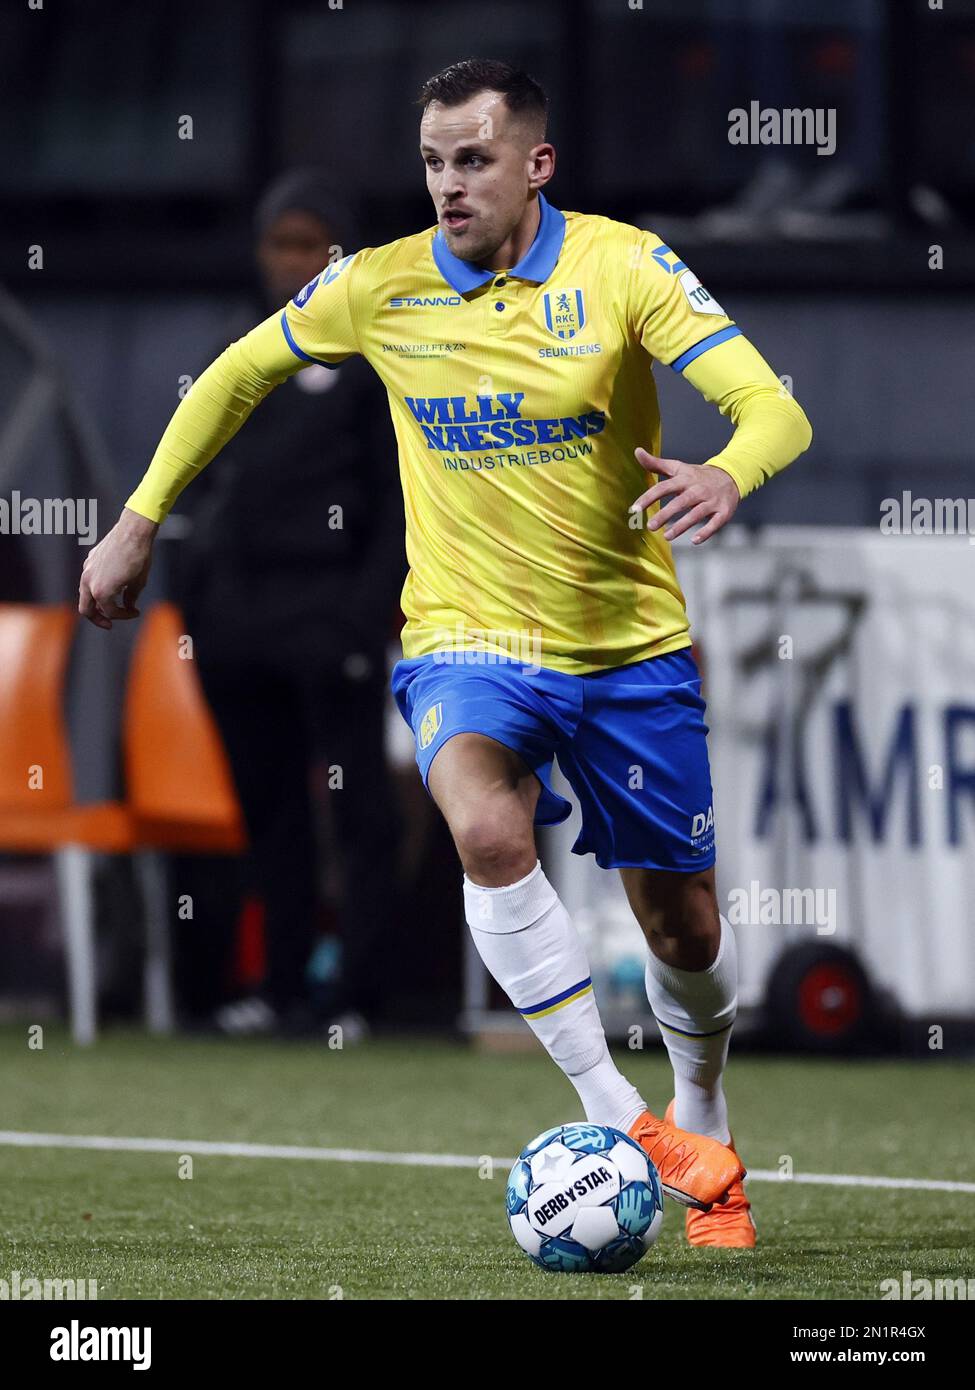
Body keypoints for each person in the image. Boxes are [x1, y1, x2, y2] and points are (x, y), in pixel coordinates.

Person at [79, 59, 812, 1245]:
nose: (448, 186)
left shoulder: (621, 266)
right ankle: (624, 1118)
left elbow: (775, 406)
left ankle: (703, 1103)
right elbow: (235, 373)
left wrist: (731, 467)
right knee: (482, 826)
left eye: (473, 160)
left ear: (537, 163)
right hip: (467, 638)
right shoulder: (380, 286)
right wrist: (139, 515)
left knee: (684, 927)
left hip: (627, 647)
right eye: (432, 162)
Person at [170, 170, 405, 1035]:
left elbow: (398, 508)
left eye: (316, 246)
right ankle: (281, 987)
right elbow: (197, 479)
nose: (297, 262)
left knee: (358, 811)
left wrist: (362, 616)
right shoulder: (240, 355)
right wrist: (197, 598)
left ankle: (362, 994)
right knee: (268, 810)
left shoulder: (378, 361)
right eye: (283, 244)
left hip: (332, 617)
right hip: (238, 623)